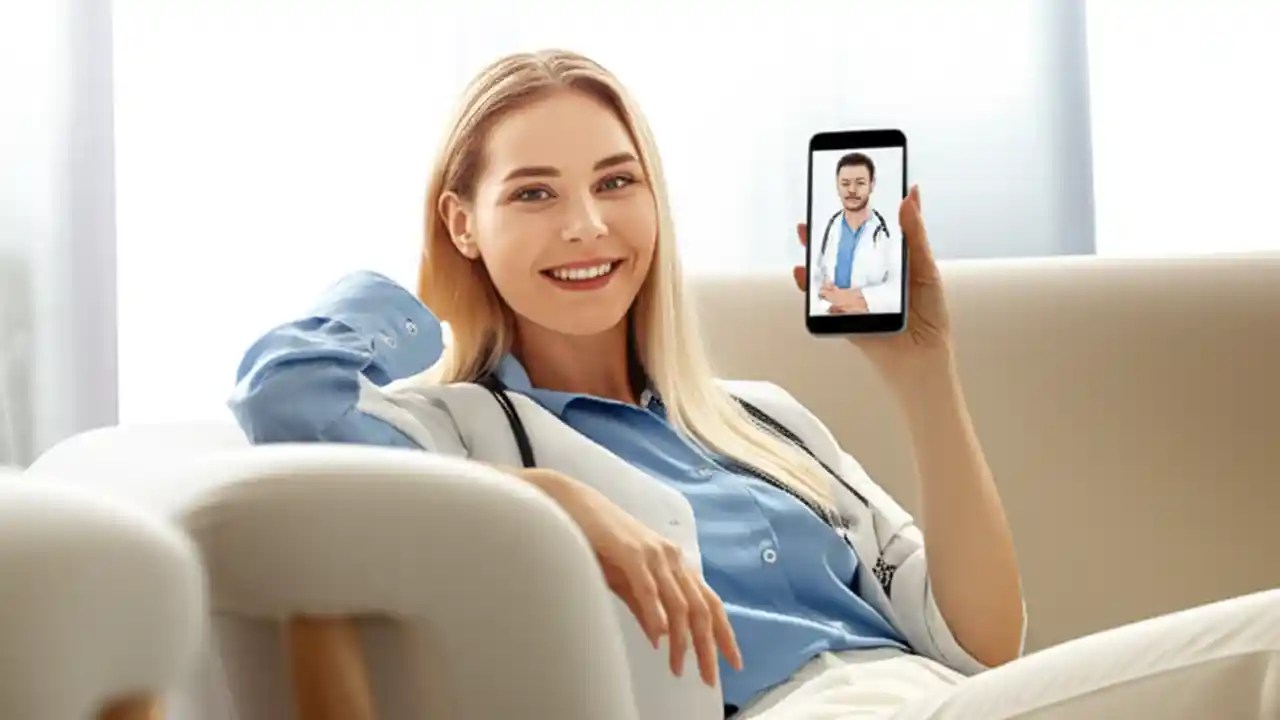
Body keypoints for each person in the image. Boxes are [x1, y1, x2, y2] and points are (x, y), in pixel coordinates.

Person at [229, 49, 1279, 719]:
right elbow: (285, 390)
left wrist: (923, 378)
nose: (587, 226)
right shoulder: (455, 433)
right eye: (533, 194)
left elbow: (975, 641)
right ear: (464, 221)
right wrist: (538, 475)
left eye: (614, 181)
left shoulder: (760, 415)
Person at [811, 152, 902, 316]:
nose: (852, 190)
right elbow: (814, 285)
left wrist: (849, 300)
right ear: (837, 186)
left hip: (871, 325)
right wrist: (829, 306)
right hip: (830, 322)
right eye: (845, 183)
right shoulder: (825, 231)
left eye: (860, 183)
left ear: (872, 184)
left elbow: (898, 290)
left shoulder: (891, 235)